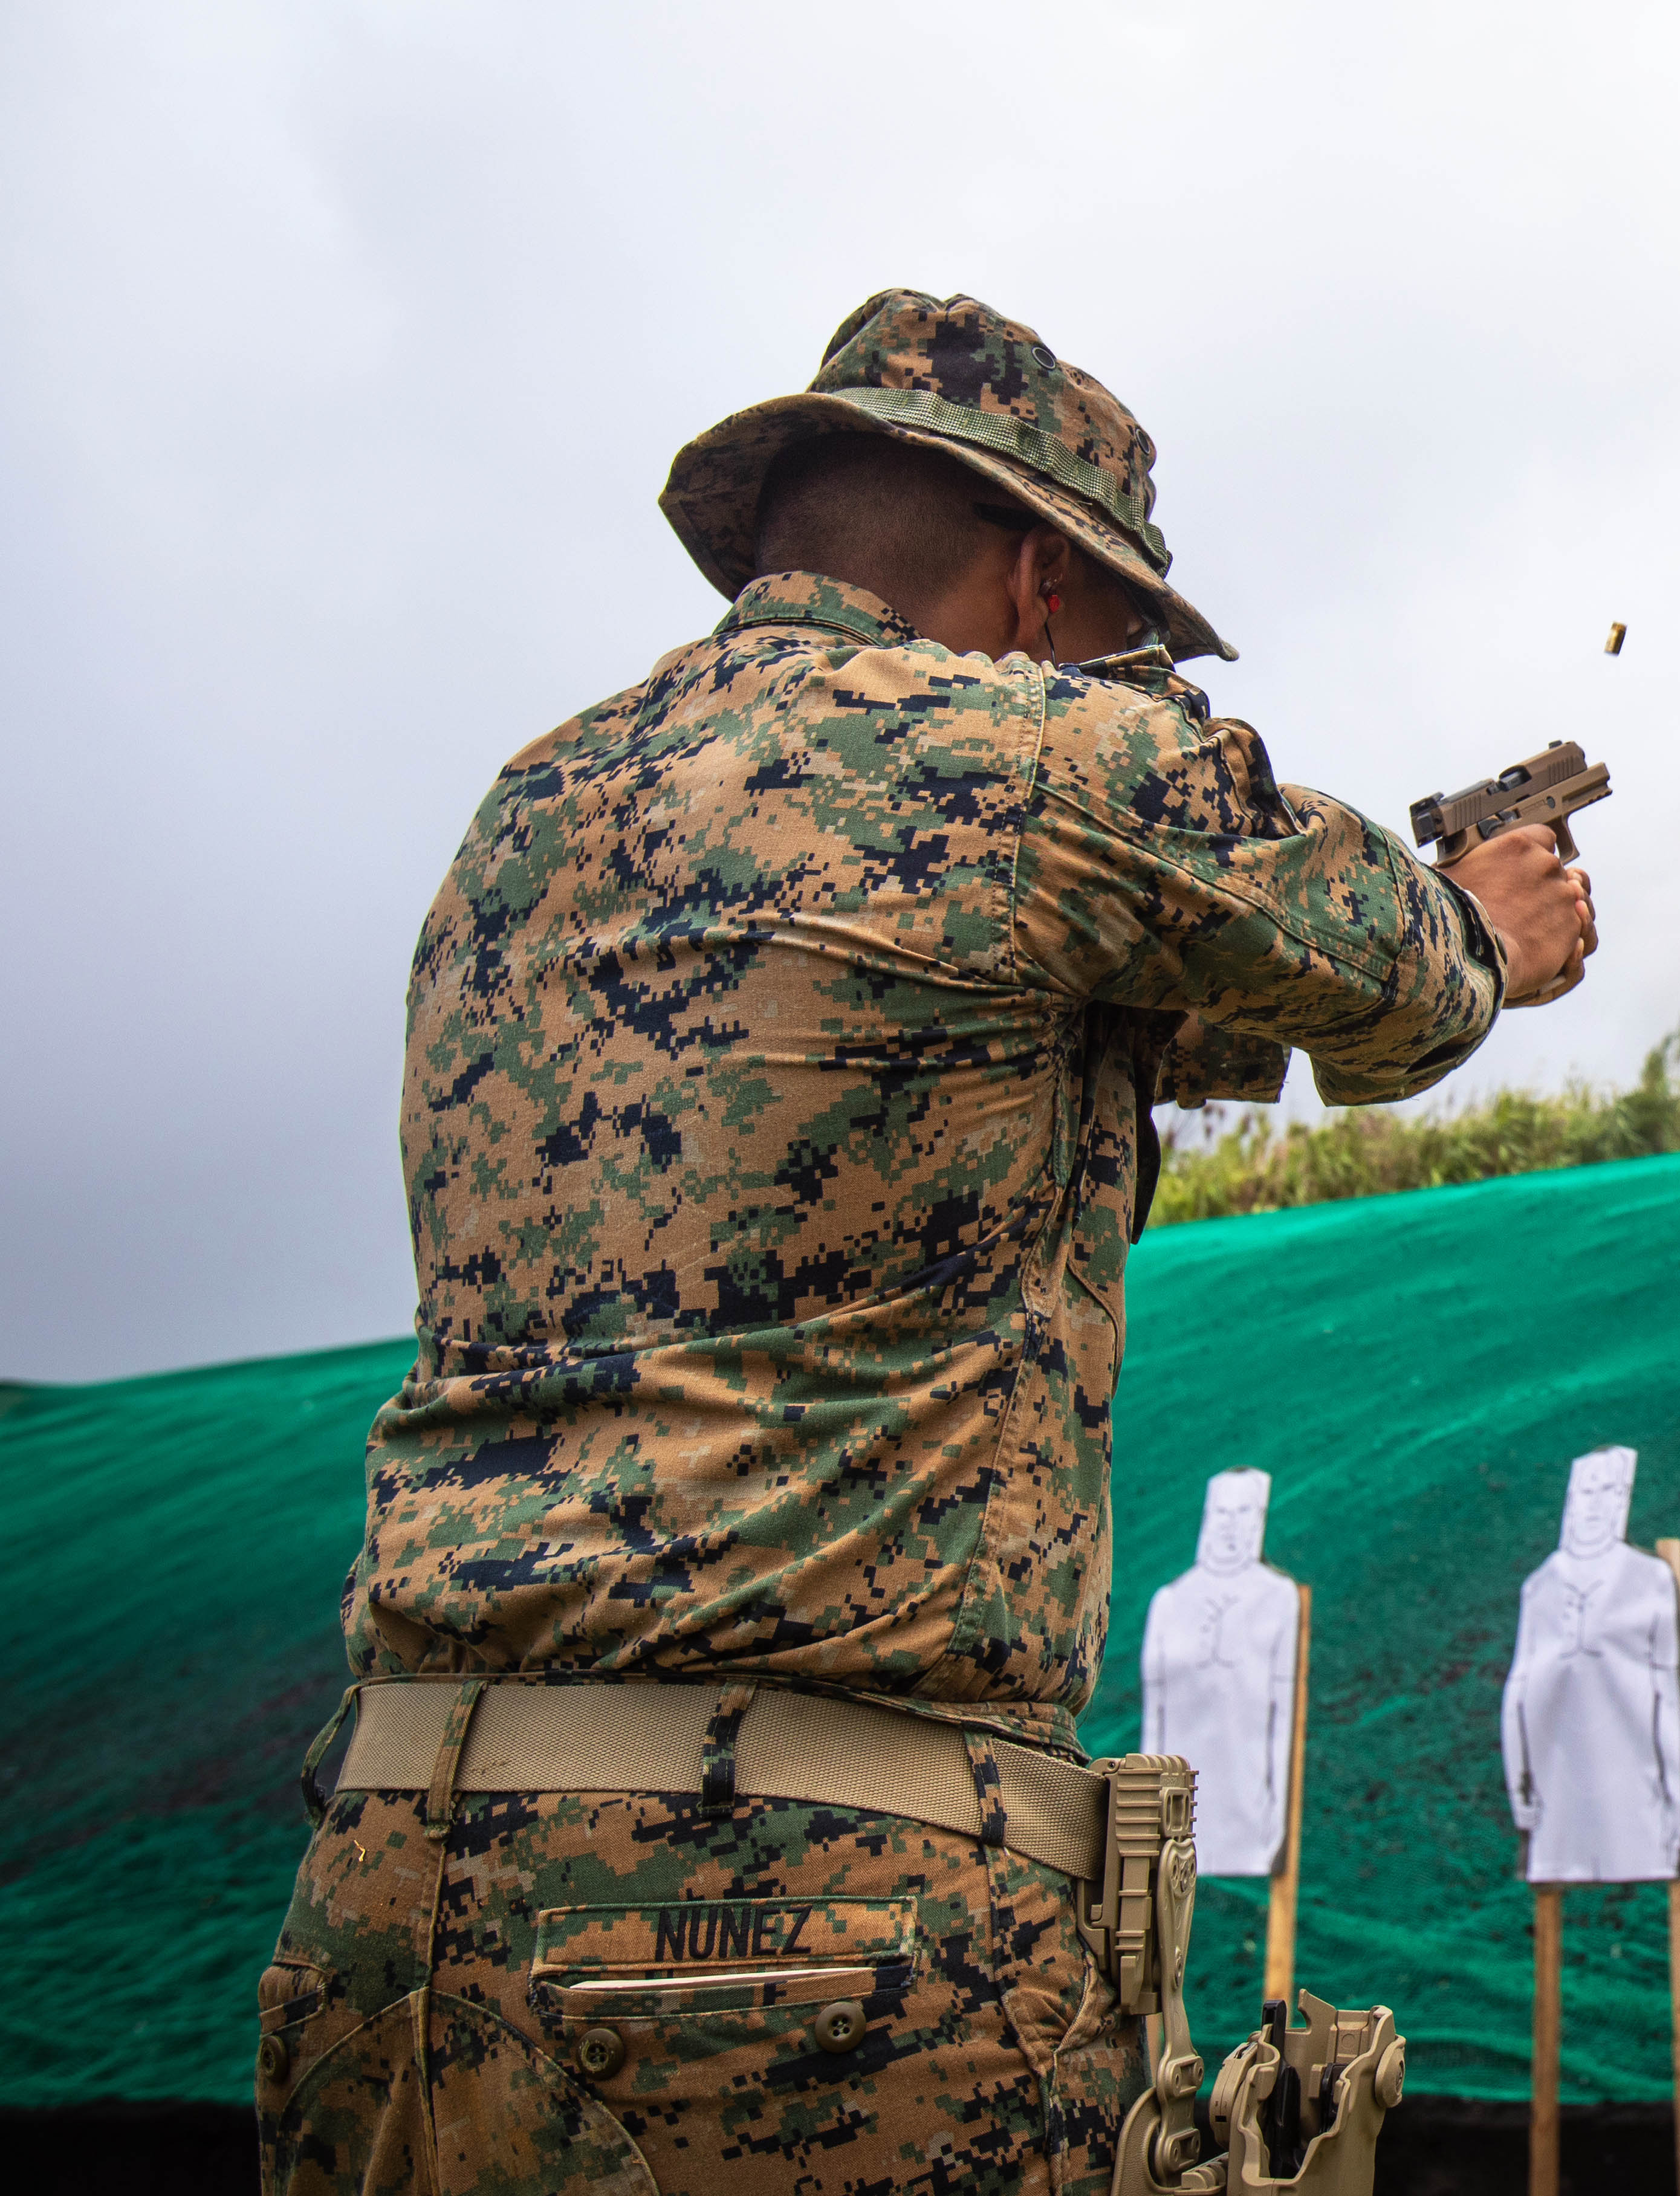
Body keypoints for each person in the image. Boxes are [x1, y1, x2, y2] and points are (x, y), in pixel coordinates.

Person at [255, 290, 1597, 2196]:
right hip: (798, 1919)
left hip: (393, 1893)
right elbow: (1404, 988)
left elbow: (991, 1015)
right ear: (1042, 578)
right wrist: (1490, 926)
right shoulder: (1039, 761)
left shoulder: (528, 808)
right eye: (1125, 629)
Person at [1500, 1446, 1680, 1882]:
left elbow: (1667, 1696)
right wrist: (1518, 1784)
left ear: (1620, 1499)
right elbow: (1517, 1693)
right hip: (1557, 1796)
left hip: (1633, 1794)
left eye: (1606, 1492)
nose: (1593, 1505)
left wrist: (1675, 1798)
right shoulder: (1541, 1586)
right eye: (1585, 1492)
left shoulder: (1649, 1578)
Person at [1140, 1471, 1304, 1877]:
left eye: (1243, 1512)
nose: (1230, 1525)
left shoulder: (1278, 1597)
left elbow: (1282, 1717)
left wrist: (1273, 1824)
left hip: (1247, 1810)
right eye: (1222, 1513)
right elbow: (1154, 1720)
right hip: (1177, 1812)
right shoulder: (1170, 1601)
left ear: (1258, 1517)